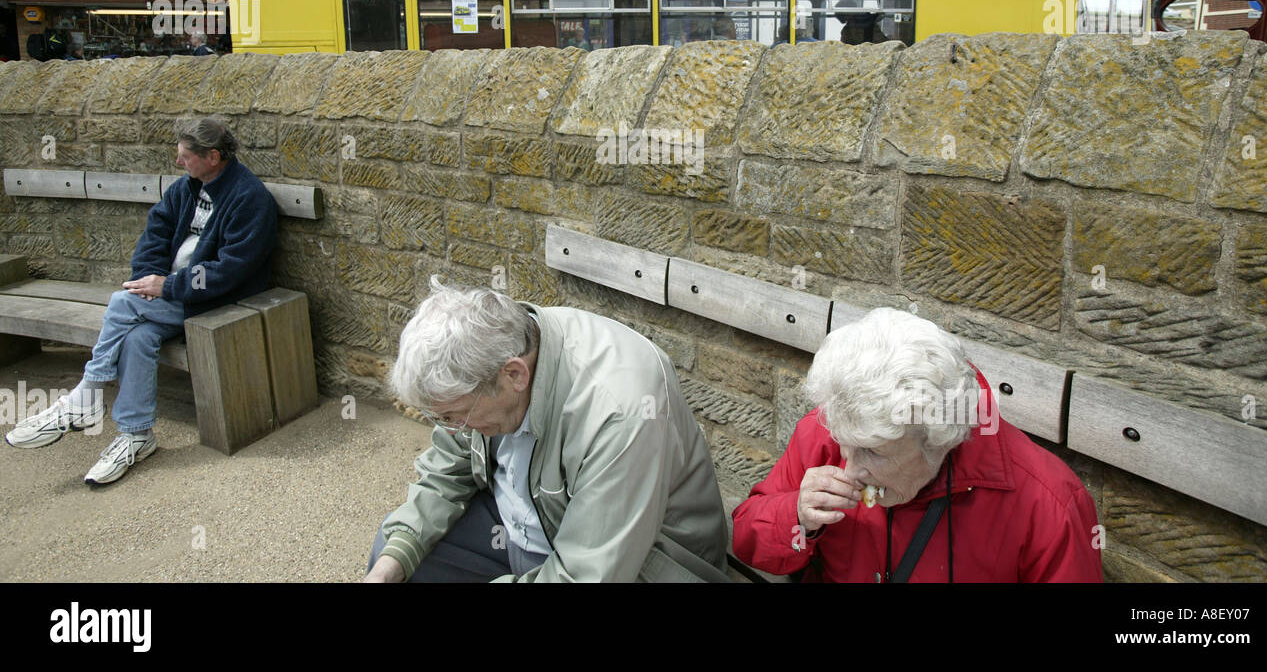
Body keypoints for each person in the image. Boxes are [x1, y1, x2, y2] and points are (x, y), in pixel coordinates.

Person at [364, 282, 730, 582]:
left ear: (514, 375)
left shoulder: (619, 410)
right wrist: (394, 559)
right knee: (393, 552)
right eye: (442, 418)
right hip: (532, 533)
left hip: (636, 566)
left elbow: (586, 573)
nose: (453, 429)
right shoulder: (486, 363)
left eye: (456, 417)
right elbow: (447, 470)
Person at [732, 307, 1103, 582]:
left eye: (873, 452)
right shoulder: (831, 430)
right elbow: (747, 540)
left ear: (939, 440)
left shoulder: (1050, 503)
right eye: (845, 444)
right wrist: (796, 517)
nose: (849, 469)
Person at [5, 118, 278, 486]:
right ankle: (136, 435)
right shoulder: (187, 188)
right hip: (172, 296)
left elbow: (231, 270)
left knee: (122, 304)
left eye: (184, 156)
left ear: (212, 156)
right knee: (137, 335)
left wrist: (167, 286)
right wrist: (147, 281)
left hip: (220, 301)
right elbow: (154, 235)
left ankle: (86, 396)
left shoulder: (249, 198)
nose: (178, 163)